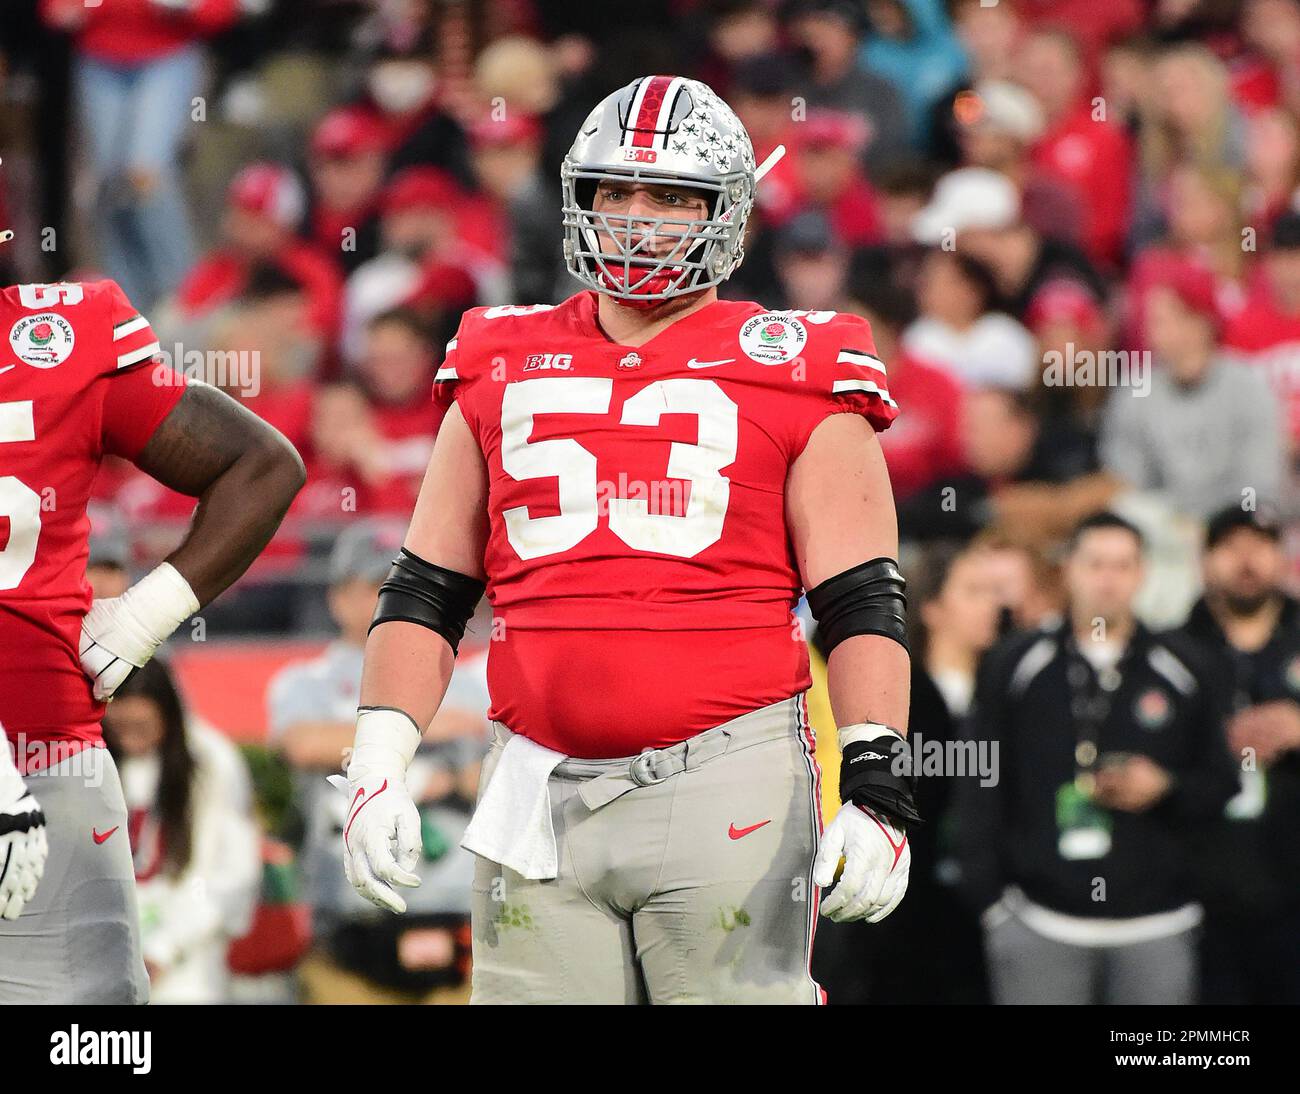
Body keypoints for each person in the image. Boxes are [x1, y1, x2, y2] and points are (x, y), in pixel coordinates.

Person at [339, 75, 917, 1005]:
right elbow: (426, 589)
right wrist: (374, 770)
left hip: (727, 779)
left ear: (725, 212)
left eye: (670, 197)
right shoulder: (498, 351)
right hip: (534, 781)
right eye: (616, 192)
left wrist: (878, 778)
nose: (636, 218)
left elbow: (861, 599)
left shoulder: (797, 359)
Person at [0, 269, 305, 1003]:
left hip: (46, 766)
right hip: (34, 766)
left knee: (93, 1041)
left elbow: (260, 466)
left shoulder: (55, 338)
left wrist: (143, 613)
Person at [954, 513, 1237, 1004]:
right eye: (1096, 564)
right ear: (1068, 569)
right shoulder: (1016, 662)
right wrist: (991, 902)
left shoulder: (1188, 664)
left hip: (1157, 922)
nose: (1108, 579)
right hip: (1040, 918)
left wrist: (1166, 788)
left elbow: (1224, 782)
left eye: (1123, 565)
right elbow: (979, 777)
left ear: (1143, 573)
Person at [267, 520, 488, 1004]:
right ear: (338, 598)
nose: (394, 596)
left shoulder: (470, 677)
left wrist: (463, 776)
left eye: (403, 581)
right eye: (375, 585)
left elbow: (499, 778)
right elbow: (303, 744)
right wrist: (419, 725)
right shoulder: (306, 681)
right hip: (352, 919)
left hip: (457, 913)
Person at [1177, 505, 1300, 1003]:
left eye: (1261, 545)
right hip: (1203, 897)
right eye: (1231, 546)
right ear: (1204, 560)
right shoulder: (1173, 650)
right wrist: (1209, 739)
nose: (1247, 560)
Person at [102, 659, 260, 1004]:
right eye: (119, 727)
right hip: (105, 959)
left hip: (187, 971)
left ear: (167, 714)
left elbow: (233, 874)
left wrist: (164, 948)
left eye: (141, 726)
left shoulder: (210, 761)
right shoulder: (95, 758)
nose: (128, 739)